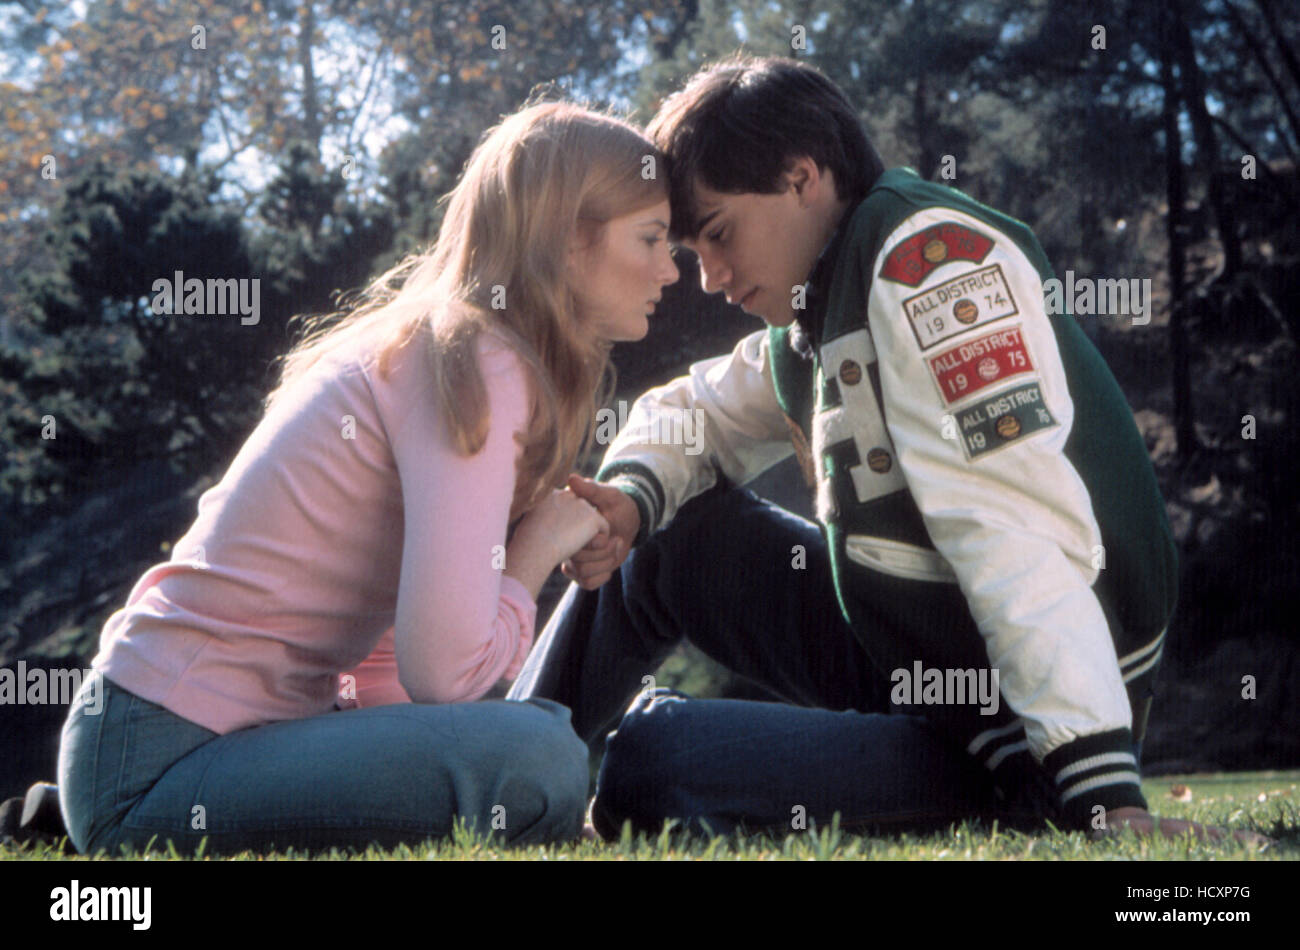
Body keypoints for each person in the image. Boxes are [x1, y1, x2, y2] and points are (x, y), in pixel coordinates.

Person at [509, 57, 1265, 845]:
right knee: (660, 539)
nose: (709, 278)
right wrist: (628, 499)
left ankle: (1037, 792)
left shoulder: (928, 264)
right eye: (696, 252)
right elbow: (694, 411)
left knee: (654, 761)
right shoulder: (816, 311)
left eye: (721, 234)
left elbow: (1015, 528)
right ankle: (500, 766)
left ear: (803, 176)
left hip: (1017, 724)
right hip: (917, 666)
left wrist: (1101, 795)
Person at [55, 100, 680, 856]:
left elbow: (386, 671)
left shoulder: (450, 348)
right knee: (539, 755)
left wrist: (428, 757)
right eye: (650, 239)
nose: (671, 269)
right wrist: (540, 544)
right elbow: (446, 675)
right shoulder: (475, 358)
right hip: (158, 763)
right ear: (572, 239)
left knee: (523, 748)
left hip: (182, 748)